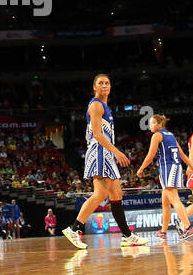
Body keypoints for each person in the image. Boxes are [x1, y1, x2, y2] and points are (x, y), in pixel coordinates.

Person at [63, 74, 147, 249]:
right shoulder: (95, 105)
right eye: (100, 83)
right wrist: (116, 151)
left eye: (107, 83)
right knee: (100, 194)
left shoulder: (105, 106)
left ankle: (127, 235)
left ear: (110, 87)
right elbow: (97, 134)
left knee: (116, 195)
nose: (104, 86)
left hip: (106, 152)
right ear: (94, 87)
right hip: (100, 151)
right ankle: (74, 228)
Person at [134, 113, 193, 240]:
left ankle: (188, 227)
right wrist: (192, 168)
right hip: (176, 167)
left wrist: (141, 168)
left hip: (168, 168)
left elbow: (150, 156)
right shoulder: (171, 135)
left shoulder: (157, 135)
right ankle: (163, 231)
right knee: (165, 203)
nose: (150, 125)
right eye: (150, 123)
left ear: (160, 124)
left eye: (153, 123)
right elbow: (182, 154)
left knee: (174, 199)